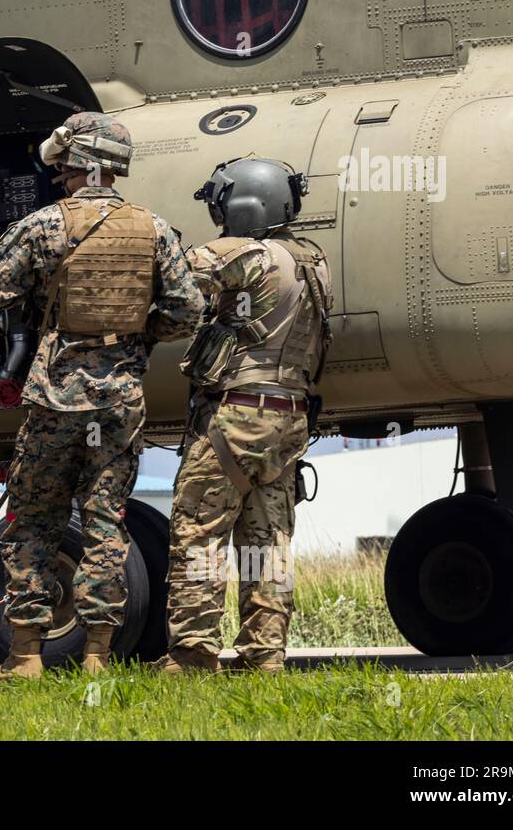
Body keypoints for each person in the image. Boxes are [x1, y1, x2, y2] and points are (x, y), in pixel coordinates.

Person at [0, 112, 204, 682]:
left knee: (32, 521)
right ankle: (99, 654)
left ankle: (24, 657)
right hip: (120, 396)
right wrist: (136, 335)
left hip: (55, 396)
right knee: (106, 522)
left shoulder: (45, 225)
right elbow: (188, 311)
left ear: (72, 163)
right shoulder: (153, 229)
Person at [160, 157, 333, 674]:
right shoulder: (311, 260)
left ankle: (192, 654)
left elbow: (175, 276)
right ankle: (265, 655)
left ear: (240, 206)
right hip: (289, 420)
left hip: (233, 418)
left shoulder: (243, 255)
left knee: (198, 530)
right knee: (267, 540)